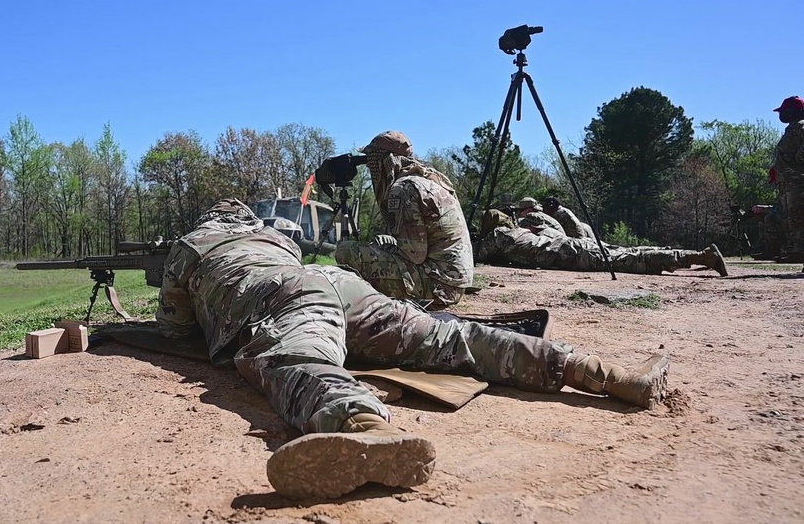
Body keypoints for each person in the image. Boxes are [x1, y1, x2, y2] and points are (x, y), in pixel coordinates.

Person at [157, 199, 671, 501]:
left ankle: (366, 429)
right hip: (341, 283)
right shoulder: (274, 237)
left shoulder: (191, 246)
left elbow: (176, 326)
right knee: (451, 335)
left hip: (280, 293)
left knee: (296, 356)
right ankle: (607, 374)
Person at [334, 131, 475, 309]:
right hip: (451, 281)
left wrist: (385, 249)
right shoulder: (428, 180)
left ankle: (359, 306)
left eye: (373, 161)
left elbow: (414, 255)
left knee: (347, 251)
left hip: (438, 287)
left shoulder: (403, 189)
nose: (371, 168)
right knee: (379, 242)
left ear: (386, 160)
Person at [477, 210, 728, 276]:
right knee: (629, 252)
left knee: (632, 260)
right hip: (574, 246)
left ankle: (700, 257)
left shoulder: (500, 236)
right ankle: (694, 255)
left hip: (572, 255)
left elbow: (479, 255)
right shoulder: (523, 231)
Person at [772, 96, 804, 265]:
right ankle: (795, 250)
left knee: (797, 216)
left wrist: (796, 161)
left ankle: (800, 250)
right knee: (790, 217)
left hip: (797, 181)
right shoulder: (793, 128)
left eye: (784, 111)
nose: (782, 115)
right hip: (788, 182)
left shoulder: (801, 126)